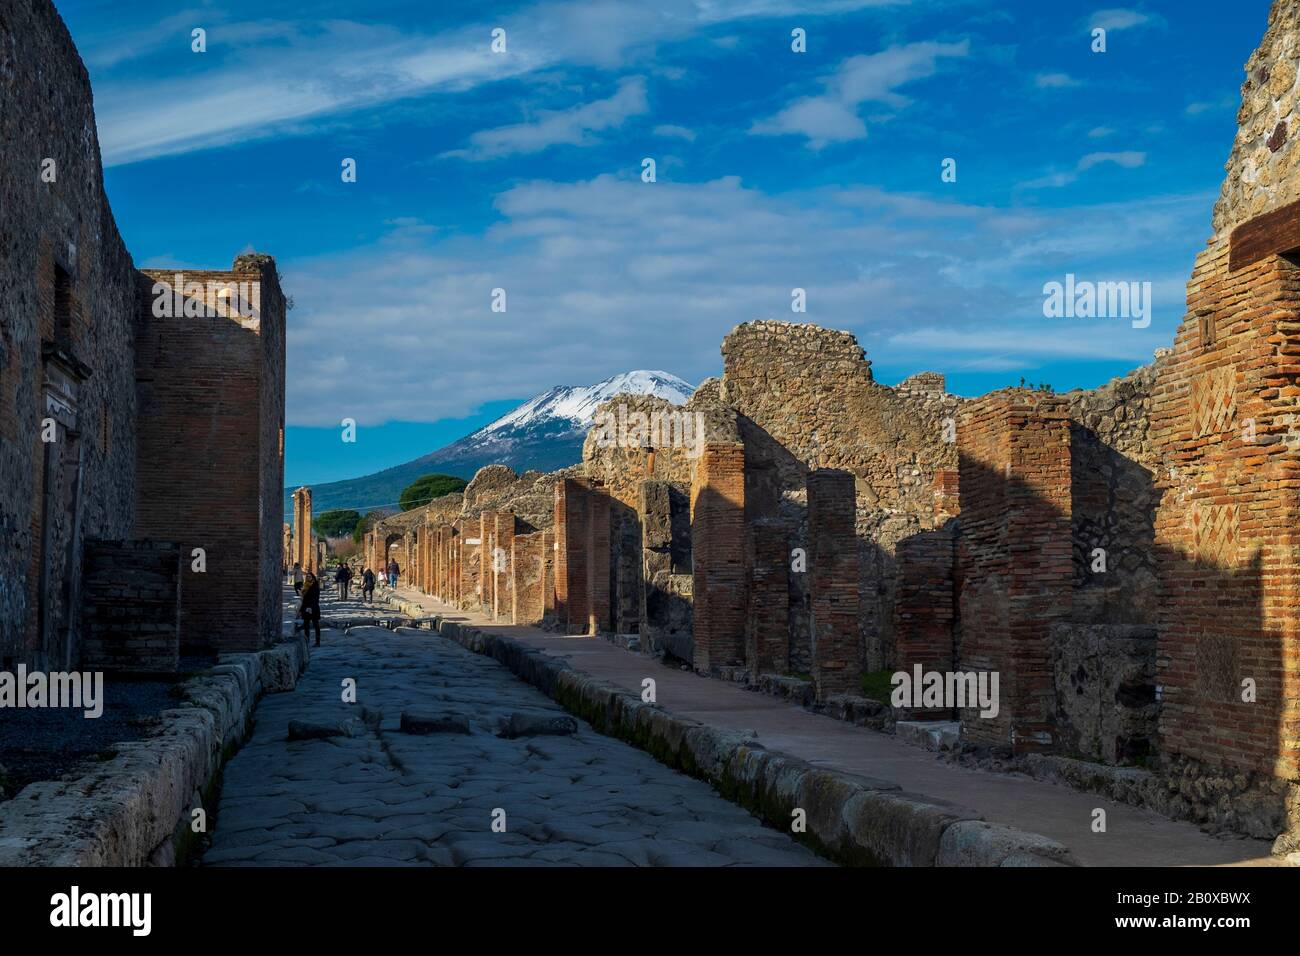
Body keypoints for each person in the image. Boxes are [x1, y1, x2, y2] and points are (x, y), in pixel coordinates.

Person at [299, 571, 321, 647]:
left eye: (310, 576)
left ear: (313, 577)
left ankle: (318, 642)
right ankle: (306, 640)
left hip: (313, 607)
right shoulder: (305, 585)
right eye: (307, 577)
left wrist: (311, 607)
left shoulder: (315, 586)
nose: (308, 578)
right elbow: (304, 599)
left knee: (316, 625)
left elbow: (315, 598)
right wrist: (301, 610)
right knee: (306, 625)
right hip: (305, 607)